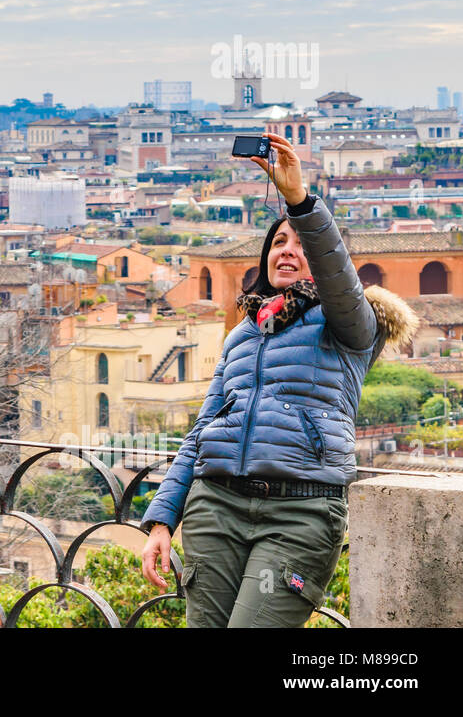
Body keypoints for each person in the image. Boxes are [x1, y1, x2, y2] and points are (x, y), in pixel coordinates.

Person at [138, 131, 417, 627]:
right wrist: (162, 517)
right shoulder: (243, 334)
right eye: (278, 241)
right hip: (215, 508)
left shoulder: (351, 324)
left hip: (300, 514)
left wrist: (298, 201)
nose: (288, 250)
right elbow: (203, 431)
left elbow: (337, 277)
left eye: (301, 243)